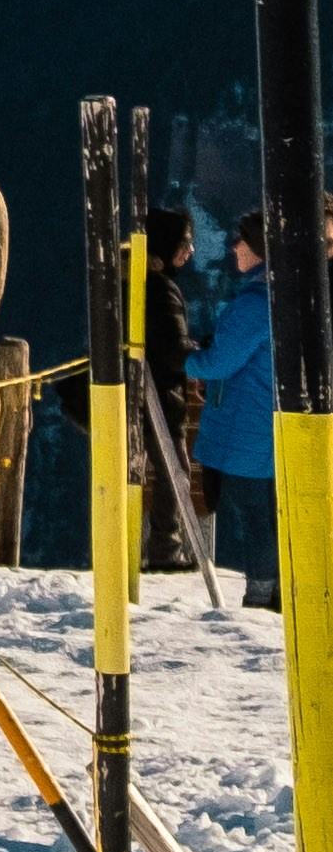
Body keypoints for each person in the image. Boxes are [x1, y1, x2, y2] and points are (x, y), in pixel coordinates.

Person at [191, 216, 278, 601]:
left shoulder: (255, 304)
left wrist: (184, 360)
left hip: (246, 431)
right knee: (265, 519)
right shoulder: (271, 295)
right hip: (259, 425)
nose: (233, 246)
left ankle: (262, 598)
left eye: (239, 239)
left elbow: (220, 364)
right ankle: (271, 592)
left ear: (257, 246)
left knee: (257, 520)